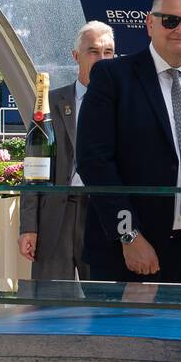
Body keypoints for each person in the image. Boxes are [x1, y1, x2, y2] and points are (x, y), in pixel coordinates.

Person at [76, 0, 181, 283]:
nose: (180, 29)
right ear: (149, 23)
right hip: (130, 255)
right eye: (170, 20)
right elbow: (94, 162)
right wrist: (129, 236)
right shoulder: (113, 77)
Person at [18, 21, 115, 280]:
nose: (102, 58)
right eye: (93, 51)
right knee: (49, 307)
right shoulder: (51, 102)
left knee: (105, 306)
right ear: (76, 56)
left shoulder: (124, 103)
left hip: (103, 217)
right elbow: (34, 167)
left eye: (108, 52)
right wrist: (28, 226)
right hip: (55, 218)